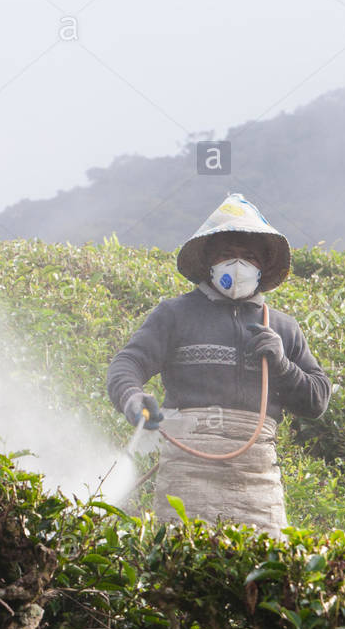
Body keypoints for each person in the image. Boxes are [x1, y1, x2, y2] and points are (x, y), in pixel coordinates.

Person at [106, 193, 331, 538]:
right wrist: (132, 398)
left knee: (263, 576)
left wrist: (283, 364)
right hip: (187, 474)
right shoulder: (174, 315)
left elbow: (317, 400)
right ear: (209, 262)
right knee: (182, 568)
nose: (238, 265)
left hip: (256, 479)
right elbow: (127, 363)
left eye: (250, 257)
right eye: (228, 254)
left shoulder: (283, 328)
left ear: (262, 269)